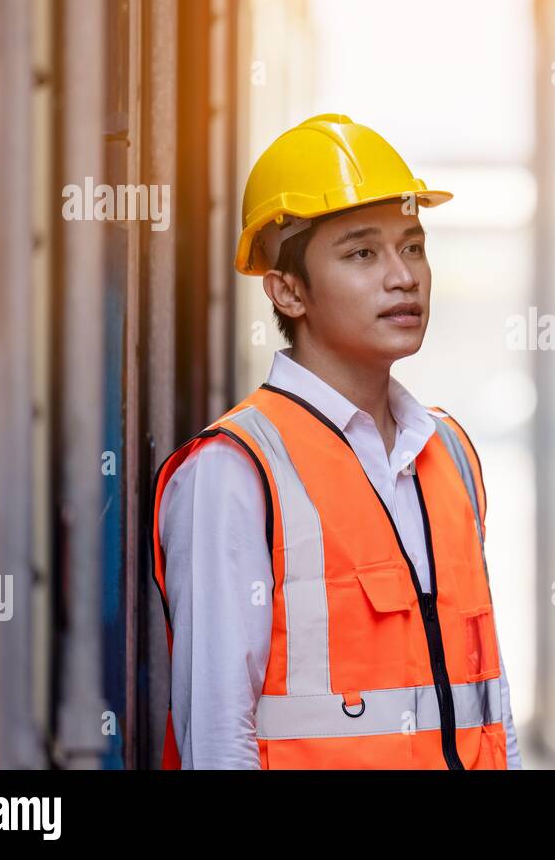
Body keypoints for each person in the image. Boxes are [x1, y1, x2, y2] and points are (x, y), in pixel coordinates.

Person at [151, 113, 519, 769]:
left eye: (413, 245)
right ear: (288, 289)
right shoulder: (236, 472)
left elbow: (492, 703)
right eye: (362, 253)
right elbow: (216, 738)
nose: (404, 276)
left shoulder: (450, 453)